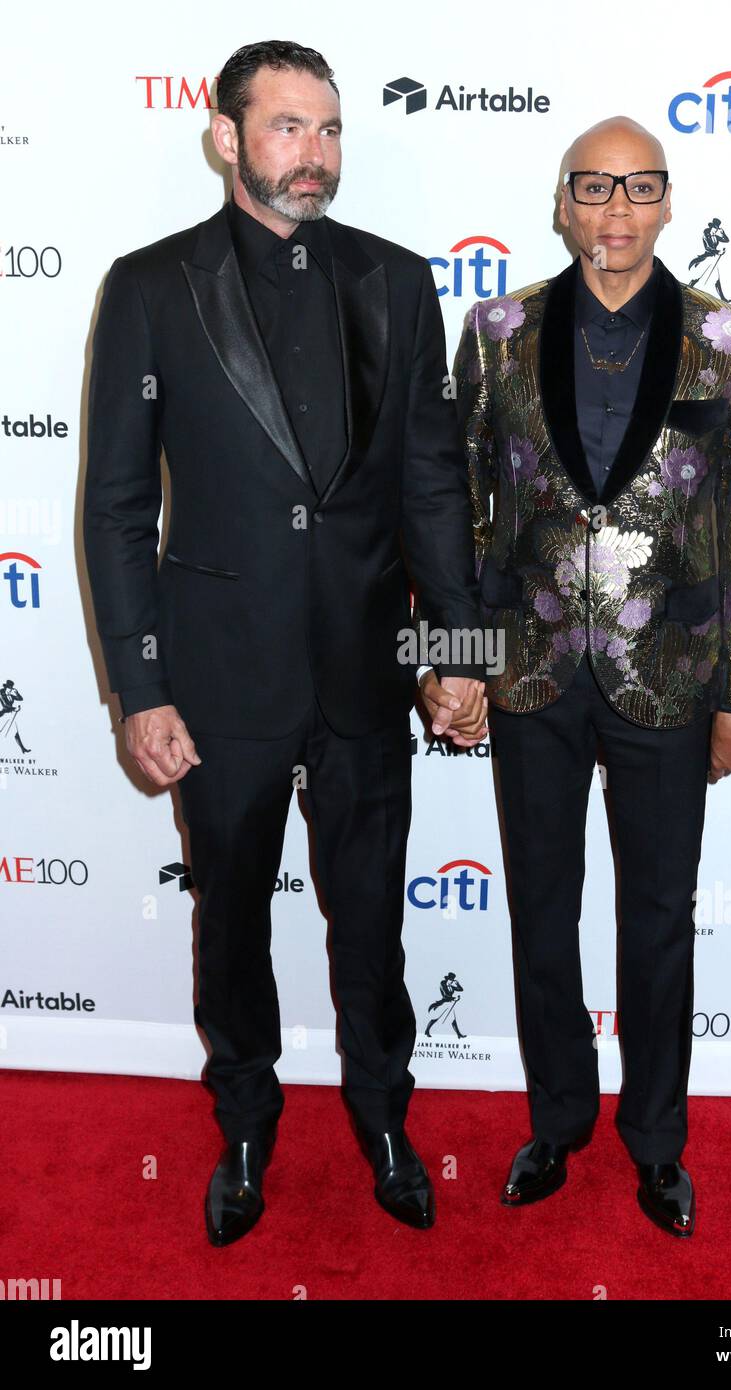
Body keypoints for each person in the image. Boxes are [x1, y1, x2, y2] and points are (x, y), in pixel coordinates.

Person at [84, 39, 486, 1246]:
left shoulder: (396, 280)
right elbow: (114, 506)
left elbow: (434, 484)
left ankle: (381, 1118)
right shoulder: (150, 286)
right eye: (286, 127)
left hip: (366, 667)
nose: (312, 153)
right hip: (220, 678)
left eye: (329, 129)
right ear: (226, 137)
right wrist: (138, 692)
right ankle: (246, 1124)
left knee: (371, 920)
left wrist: (458, 649)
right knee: (233, 921)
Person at [453, 116, 731, 1237]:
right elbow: (456, 517)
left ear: (668, 200)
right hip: (528, 672)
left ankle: (656, 1142)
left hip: (671, 677)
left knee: (659, 919)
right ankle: (554, 1120)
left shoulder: (728, 339)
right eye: (594, 187)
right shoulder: (495, 330)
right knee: (541, 911)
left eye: (639, 187)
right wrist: (446, 664)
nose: (616, 211)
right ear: (562, 203)